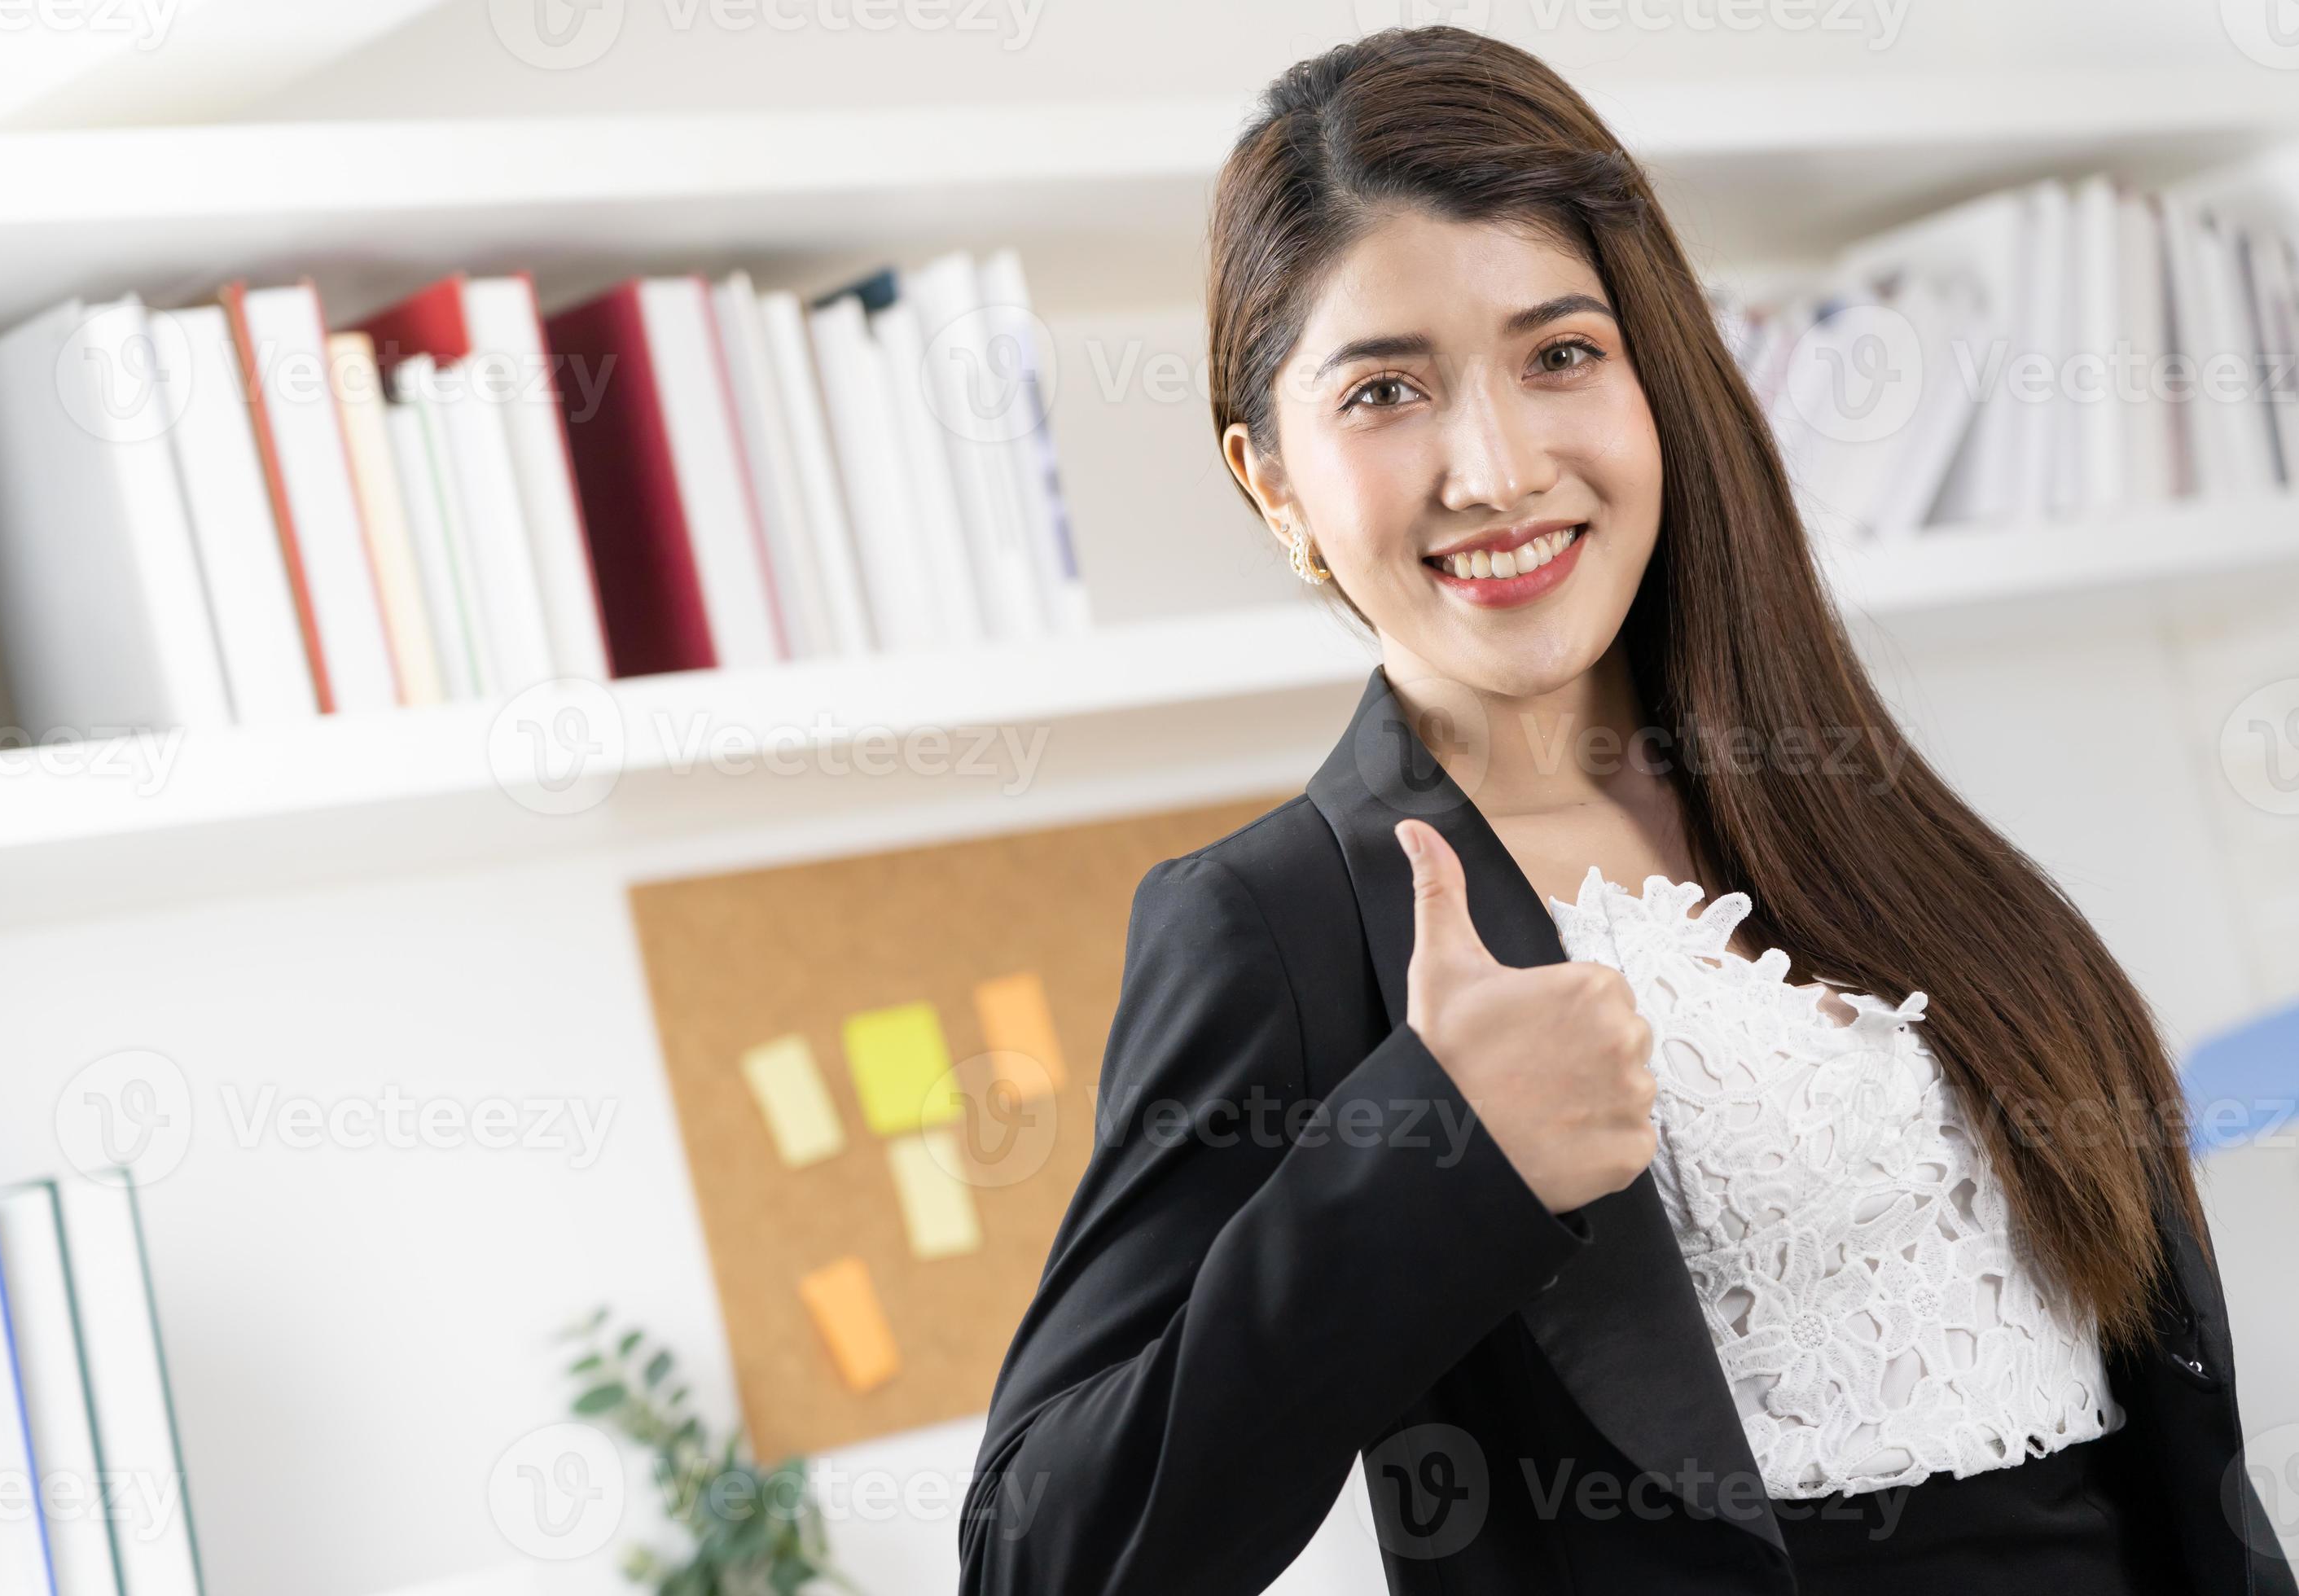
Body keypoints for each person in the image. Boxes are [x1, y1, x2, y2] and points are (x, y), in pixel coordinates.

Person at [956, 24, 2295, 1596]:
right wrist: (1435, 1160)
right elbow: (1036, 1558)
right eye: (1387, 390)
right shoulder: (1284, 922)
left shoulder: (1859, 811)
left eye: (1561, 354)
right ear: (1273, 485)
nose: (1499, 465)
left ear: (1657, 373)